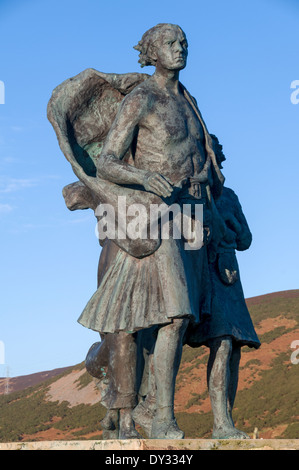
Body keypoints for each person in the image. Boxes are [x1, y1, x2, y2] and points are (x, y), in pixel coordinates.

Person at [76, 23, 225, 439]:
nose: (180, 49)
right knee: (174, 314)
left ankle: (140, 402)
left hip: (195, 215)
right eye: (171, 44)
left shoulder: (189, 100)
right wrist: (144, 177)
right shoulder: (142, 99)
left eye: (184, 44)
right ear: (151, 53)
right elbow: (106, 161)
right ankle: (161, 416)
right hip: (158, 215)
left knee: (188, 317)